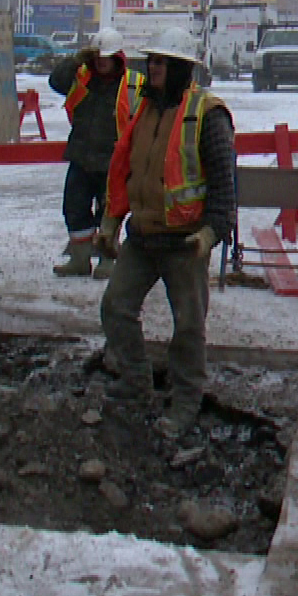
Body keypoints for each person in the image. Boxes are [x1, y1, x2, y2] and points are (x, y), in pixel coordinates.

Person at [94, 25, 236, 438]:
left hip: (184, 245)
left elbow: (225, 191)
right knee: (115, 308)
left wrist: (209, 235)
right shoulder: (145, 109)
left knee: (188, 326)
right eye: (151, 61)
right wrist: (110, 222)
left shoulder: (208, 115)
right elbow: (127, 172)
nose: (152, 68)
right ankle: (136, 382)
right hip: (143, 237)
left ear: (179, 68)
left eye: (160, 62)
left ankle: (186, 400)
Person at [47, 28, 142, 279]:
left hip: (113, 161)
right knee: (74, 208)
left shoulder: (133, 84)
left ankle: (108, 259)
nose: (101, 62)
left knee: (108, 213)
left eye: (106, 58)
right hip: (81, 156)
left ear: (117, 58)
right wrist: (77, 59)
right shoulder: (82, 76)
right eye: (97, 57)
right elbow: (56, 81)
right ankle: (80, 259)